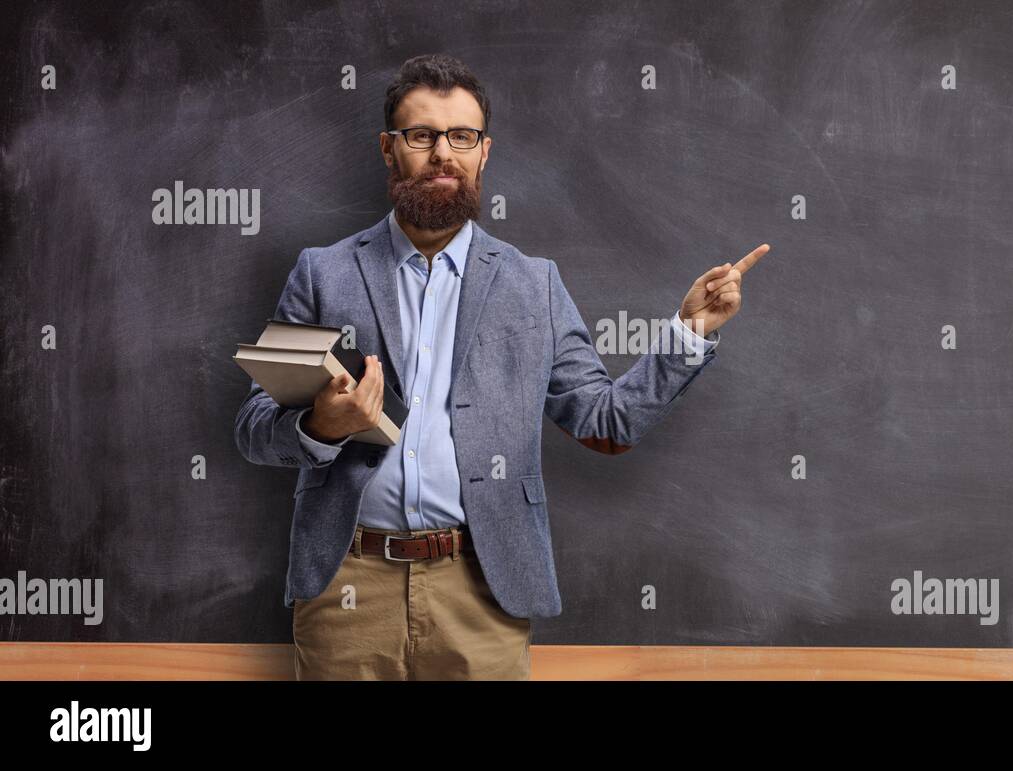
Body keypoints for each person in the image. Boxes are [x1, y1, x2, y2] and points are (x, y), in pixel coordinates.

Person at [234, 53, 769, 680]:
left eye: (462, 136)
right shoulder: (323, 272)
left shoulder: (533, 285)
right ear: (388, 149)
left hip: (484, 588)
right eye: (421, 135)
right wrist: (322, 426)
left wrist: (689, 333)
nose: (443, 153)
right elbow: (254, 427)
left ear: (484, 152)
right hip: (346, 589)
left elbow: (607, 422)